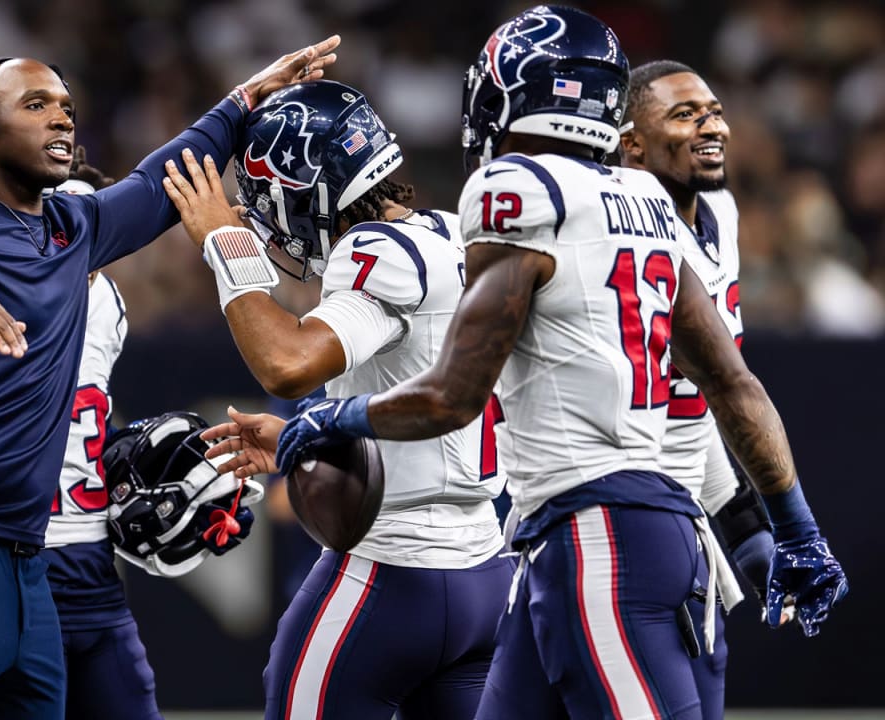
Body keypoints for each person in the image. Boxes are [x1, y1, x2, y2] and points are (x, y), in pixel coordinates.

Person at [226, 7, 847, 719]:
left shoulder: (515, 193)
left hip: (596, 534)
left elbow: (454, 397)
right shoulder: (645, 198)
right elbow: (732, 382)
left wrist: (332, 416)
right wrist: (795, 526)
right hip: (606, 533)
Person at [0, 39, 340, 718]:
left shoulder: (72, 227)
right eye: (35, 104)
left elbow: (156, 182)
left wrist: (244, 99)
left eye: (66, 107)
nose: (61, 119)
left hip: (27, 565)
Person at [162, 80, 513, 719]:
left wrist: (225, 245)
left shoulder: (375, 249)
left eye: (269, 196)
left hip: (389, 575)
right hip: (485, 577)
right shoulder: (457, 234)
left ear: (312, 186)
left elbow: (286, 364)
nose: (264, 217)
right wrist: (309, 438)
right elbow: (418, 386)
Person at [618, 59, 779, 719]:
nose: (711, 125)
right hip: (610, 525)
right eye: (685, 114)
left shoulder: (719, 208)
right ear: (630, 141)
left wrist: (747, 528)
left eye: (713, 111)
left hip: (680, 527)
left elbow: (689, 414)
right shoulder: (609, 226)